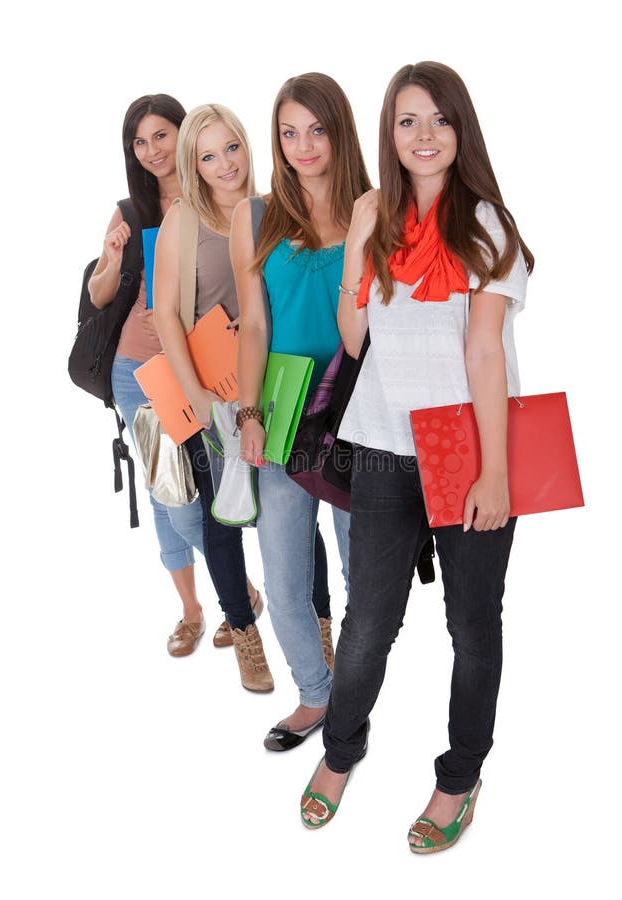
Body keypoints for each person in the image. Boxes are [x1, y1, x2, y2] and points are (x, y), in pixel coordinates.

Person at [300, 61, 534, 853]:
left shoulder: (489, 227)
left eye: (438, 119)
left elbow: (484, 355)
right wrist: (361, 240)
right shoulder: (380, 220)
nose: (423, 136)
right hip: (382, 443)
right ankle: (340, 751)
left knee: (472, 626)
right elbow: (357, 337)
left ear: (460, 128)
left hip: (467, 442)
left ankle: (460, 776)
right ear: (389, 135)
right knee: (368, 623)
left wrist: (495, 471)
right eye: (407, 121)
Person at [88, 94, 263, 659]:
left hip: (200, 365)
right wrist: (112, 260)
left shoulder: (213, 195)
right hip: (135, 369)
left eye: (162, 135)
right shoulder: (131, 211)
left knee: (194, 498)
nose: (152, 150)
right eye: (140, 142)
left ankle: (240, 593)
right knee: (163, 493)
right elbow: (98, 296)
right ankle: (193, 608)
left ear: (186, 136)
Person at [230, 74, 372, 747]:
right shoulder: (253, 216)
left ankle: (352, 701)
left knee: (364, 582)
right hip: (283, 415)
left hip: (356, 414)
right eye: (289, 132)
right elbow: (253, 326)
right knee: (285, 582)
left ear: (339, 132)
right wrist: (249, 413)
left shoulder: (376, 211)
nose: (303, 145)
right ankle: (314, 696)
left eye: (316, 129)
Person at [153, 103, 277, 690]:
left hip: (271, 384)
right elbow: (166, 315)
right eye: (208, 155)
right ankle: (245, 636)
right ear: (193, 165)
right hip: (212, 390)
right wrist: (197, 393)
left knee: (285, 508)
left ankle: (319, 628)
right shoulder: (184, 218)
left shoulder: (276, 207)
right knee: (220, 517)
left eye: (232, 147)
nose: (225, 163)